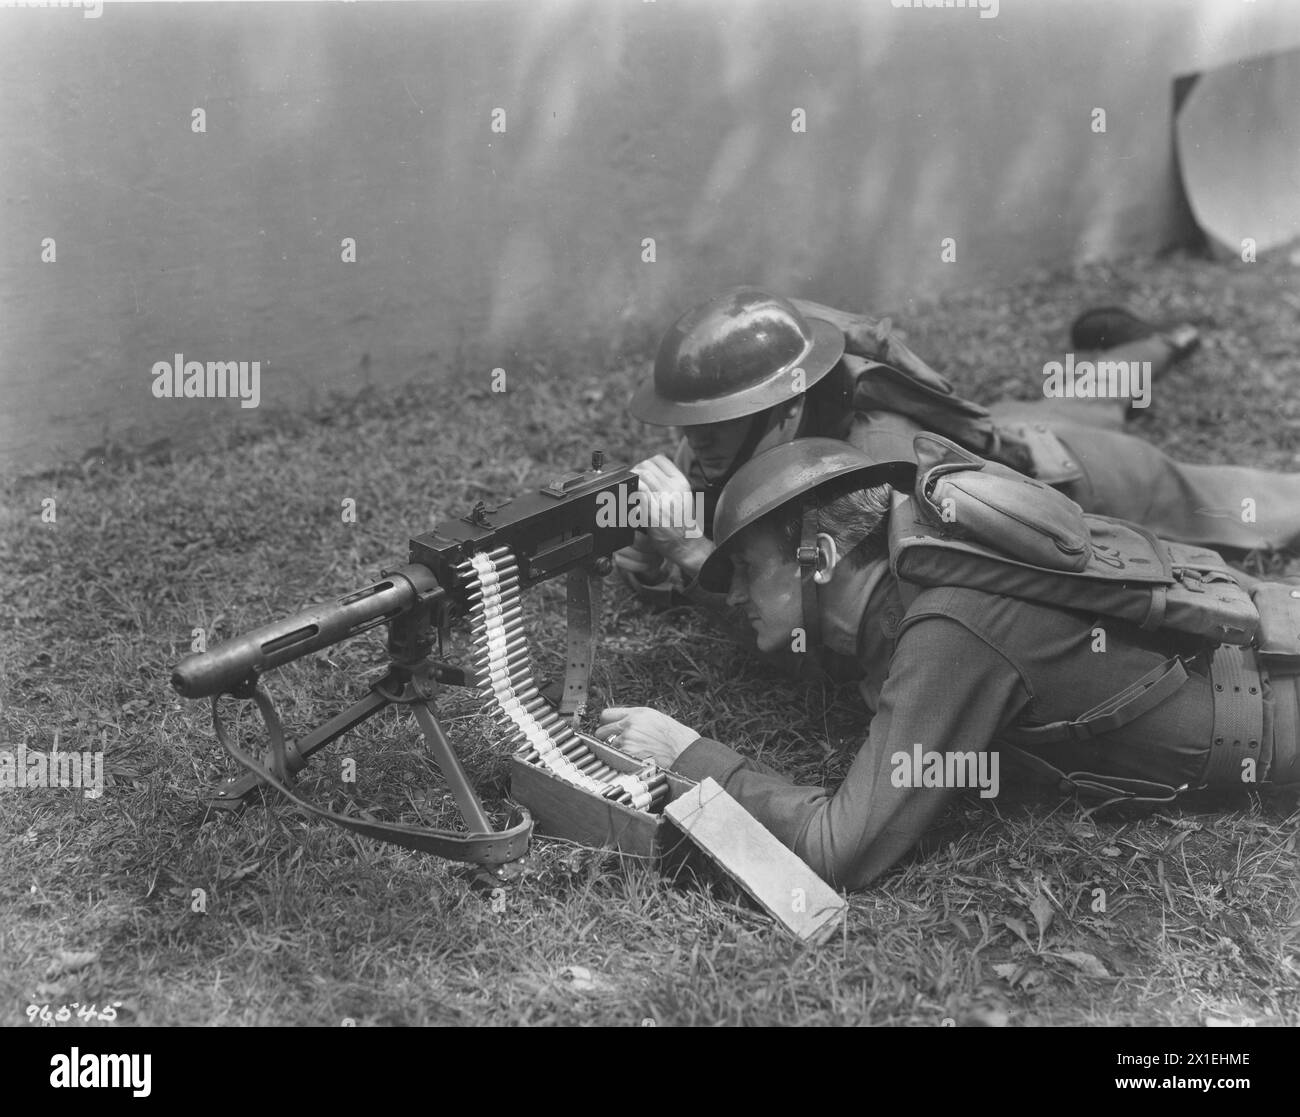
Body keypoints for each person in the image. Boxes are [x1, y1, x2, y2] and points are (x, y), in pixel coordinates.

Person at [594, 438, 1300, 891]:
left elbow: (840, 848)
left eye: (748, 569)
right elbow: (802, 633)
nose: (738, 594)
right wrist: (694, 556)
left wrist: (689, 753)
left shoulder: (948, 628)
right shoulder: (916, 547)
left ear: (824, 558)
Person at [618, 288, 1300, 611]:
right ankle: (1142, 344)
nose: (693, 443)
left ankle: (1167, 339)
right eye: (694, 422)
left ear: (787, 407)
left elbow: (816, 627)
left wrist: (691, 552)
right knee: (1084, 398)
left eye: (716, 423)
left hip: (1063, 481)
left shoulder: (870, 475)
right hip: (987, 433)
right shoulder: (746, 426)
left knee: (1225, 502)